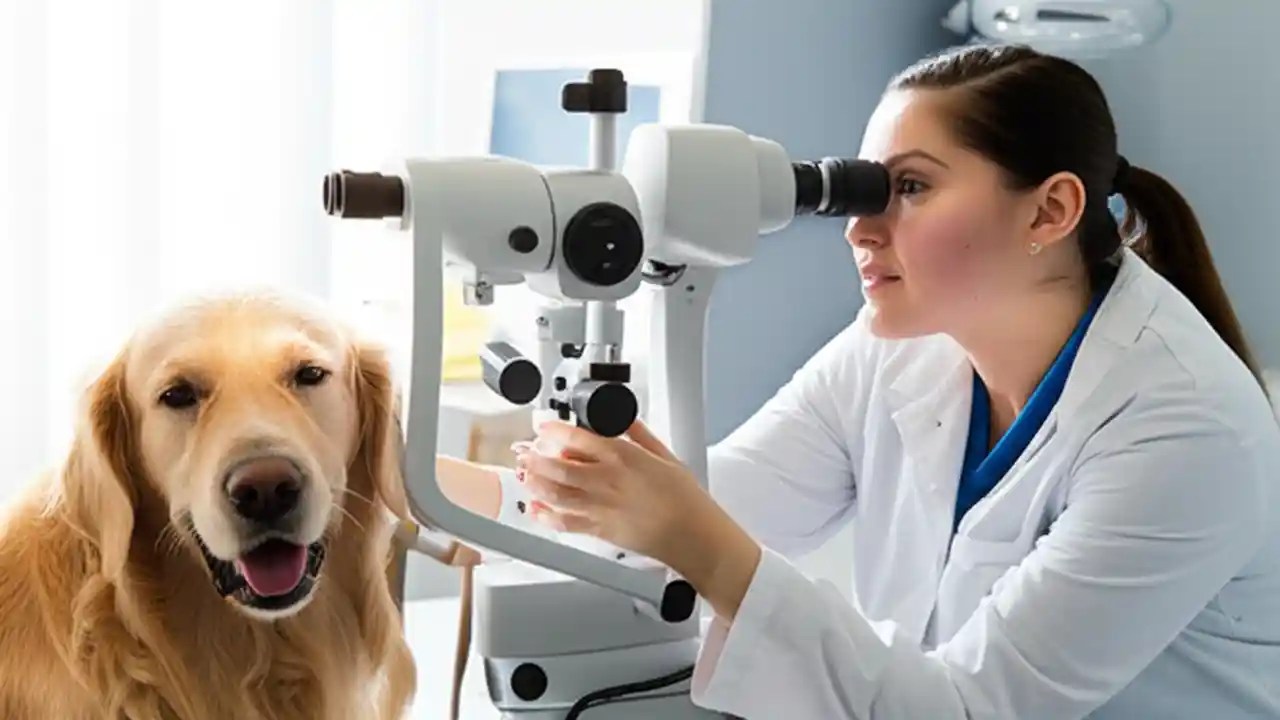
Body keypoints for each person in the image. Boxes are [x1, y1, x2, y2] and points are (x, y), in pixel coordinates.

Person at [436, 43, 1280, 719]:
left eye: (909, 187)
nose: (860, 230)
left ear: (1050, 212)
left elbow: (971, 707)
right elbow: (707, 504)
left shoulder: (1182, 427)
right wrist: (414, 482)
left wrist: (693, 534)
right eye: (866, 187)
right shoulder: (906, 343)